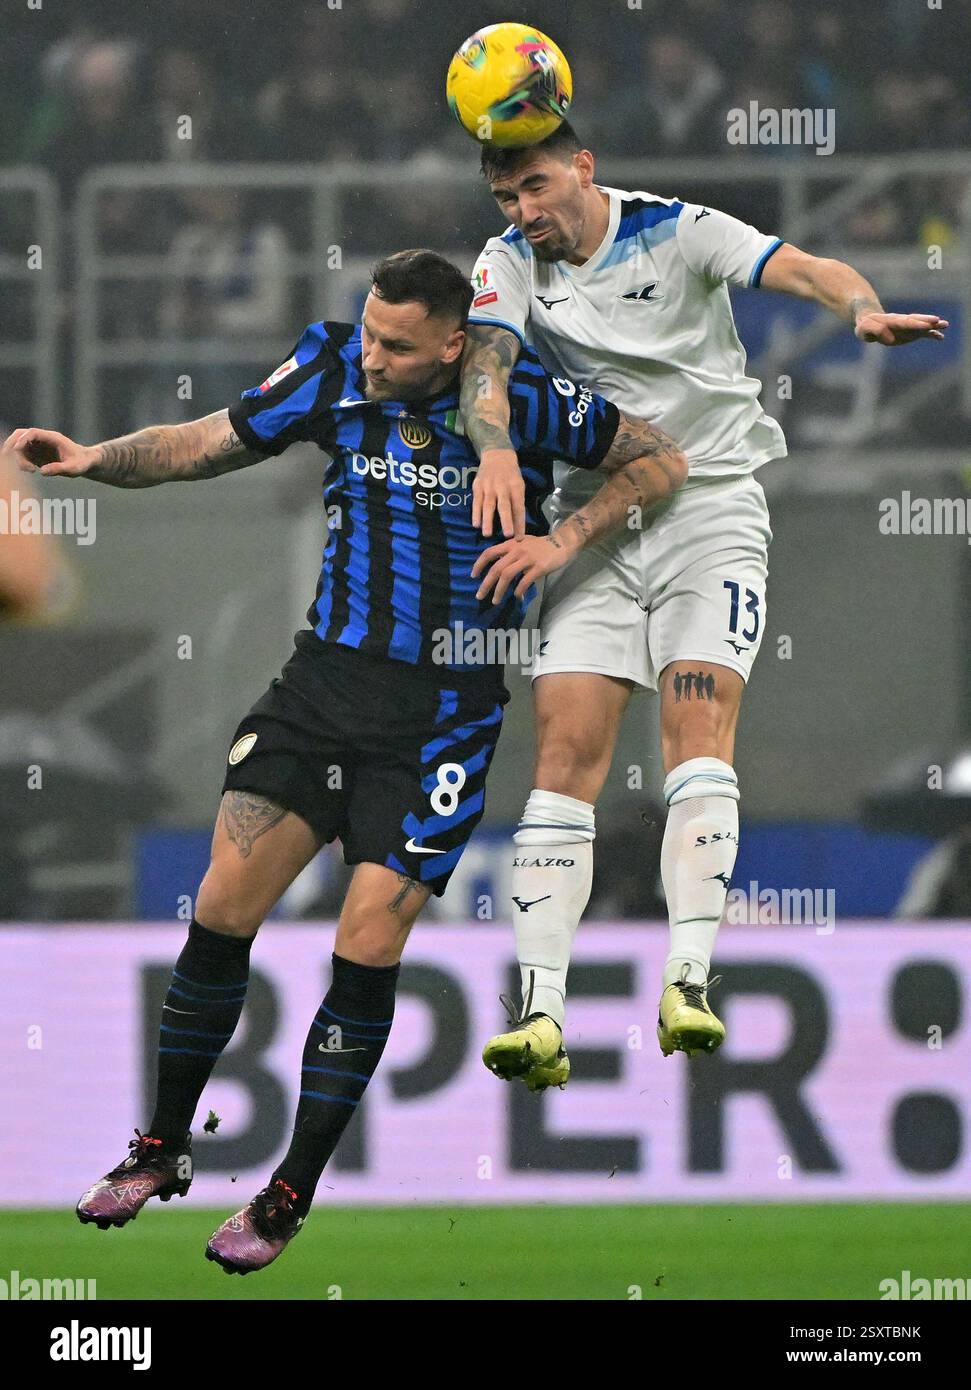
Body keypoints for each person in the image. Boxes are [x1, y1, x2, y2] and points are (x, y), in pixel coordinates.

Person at [5, 248, 686, 1274]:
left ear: (453, 346)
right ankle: (160, 1146)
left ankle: (286, 1194)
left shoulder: (523, 400)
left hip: (442, 715)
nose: (371, 356)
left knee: (365, 944)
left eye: (397, 346)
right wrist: (94, 458)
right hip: (320, 688)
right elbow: (205, 443)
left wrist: (564, 539)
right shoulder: (328, 367)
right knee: (223, 902)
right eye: (368, 332)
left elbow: (659, 459)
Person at [459, 120, 947, 1085]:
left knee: (697, 721)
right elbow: (485, 363)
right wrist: (499, 447)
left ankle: (687, 978)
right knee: (563, 748)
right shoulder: (509, 259)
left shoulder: (676, 230)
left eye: (537, 187)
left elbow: (806, 269)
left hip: (711, 507)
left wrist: (862, 309)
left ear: (583, 167)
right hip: (592, 515)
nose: (526, 212)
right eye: (507, 197)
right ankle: (542, 1009)